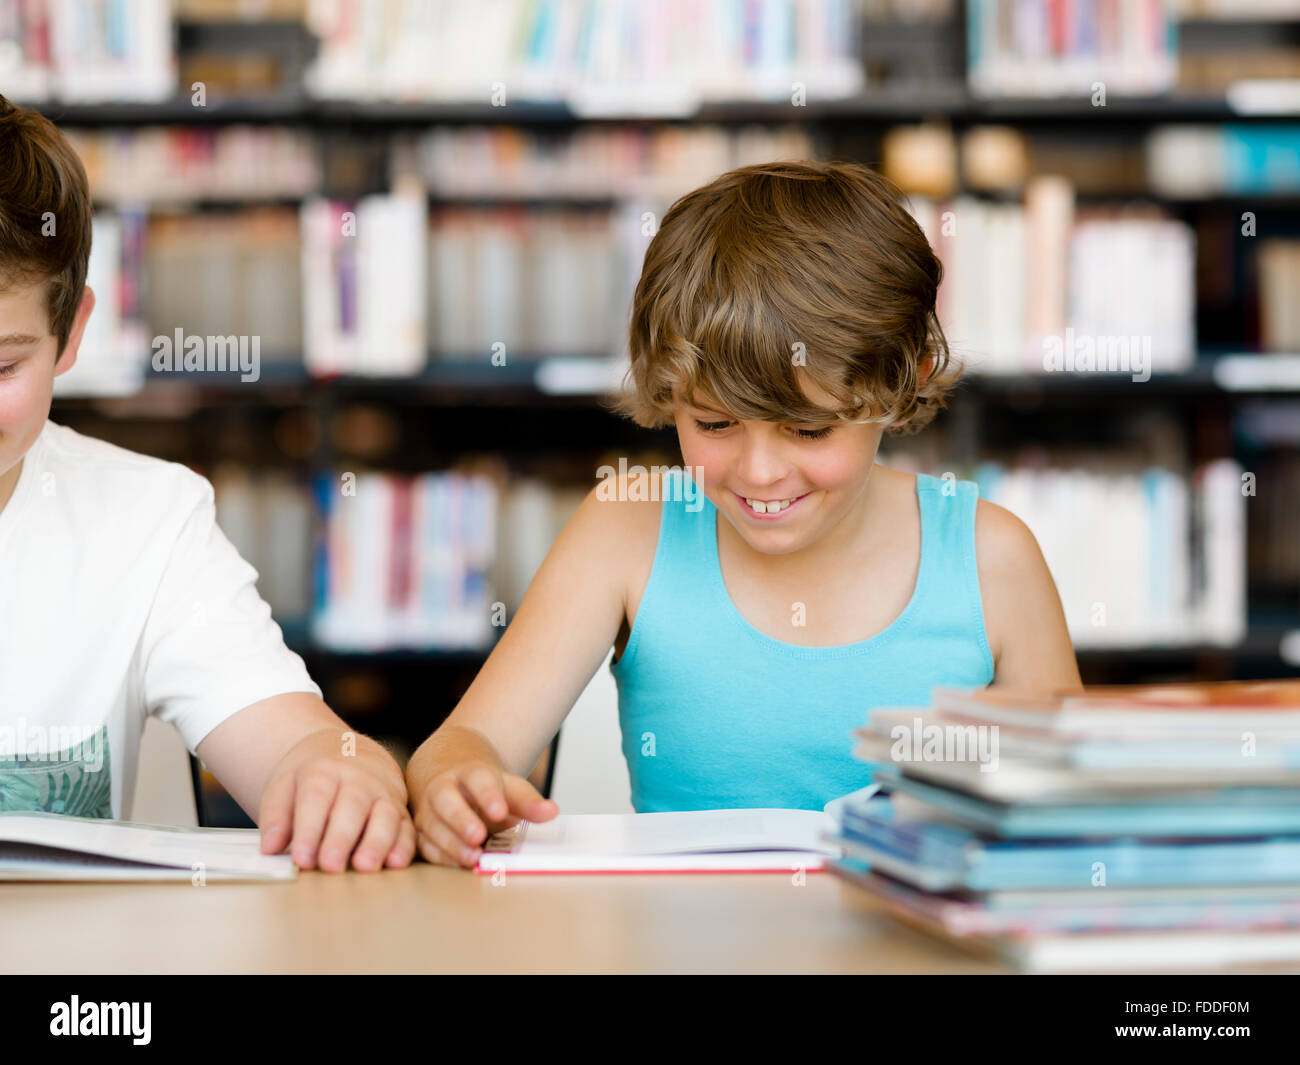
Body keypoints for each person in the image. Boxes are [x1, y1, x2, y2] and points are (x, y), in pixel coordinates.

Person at [406, 160, 1082, 867]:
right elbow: (460, 746)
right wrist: (457, 786)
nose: (758, 473)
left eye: (808, 430)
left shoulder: (990, 558)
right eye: (715, 424)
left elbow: (1072, 817)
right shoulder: (627, 529)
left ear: (896, 384)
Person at [0, 94, 414, 873]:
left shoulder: (149, 522)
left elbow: (304, 742)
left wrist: (339, 780)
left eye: (1, 365)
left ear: (72, 333)